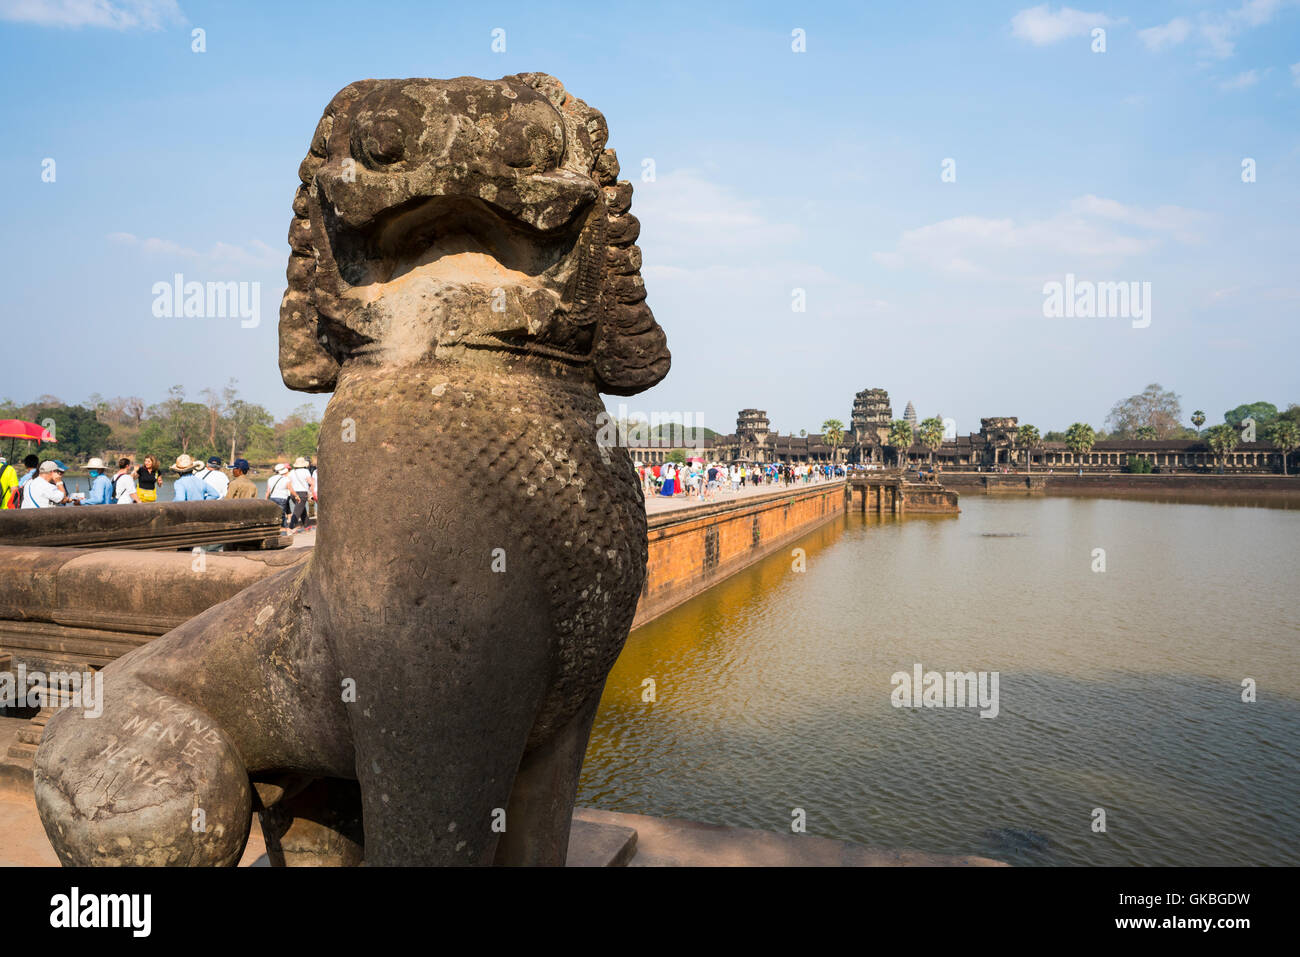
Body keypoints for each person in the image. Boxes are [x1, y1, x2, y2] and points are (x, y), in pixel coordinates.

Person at [287, 456, 314, 530]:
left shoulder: (291, 472)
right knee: (297, 511)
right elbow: (310, 482)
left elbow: (288, 483)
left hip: (293, 493)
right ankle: (291, 527)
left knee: (301, 509)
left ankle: (307, 525)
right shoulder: (306, 471)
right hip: (302, 493)